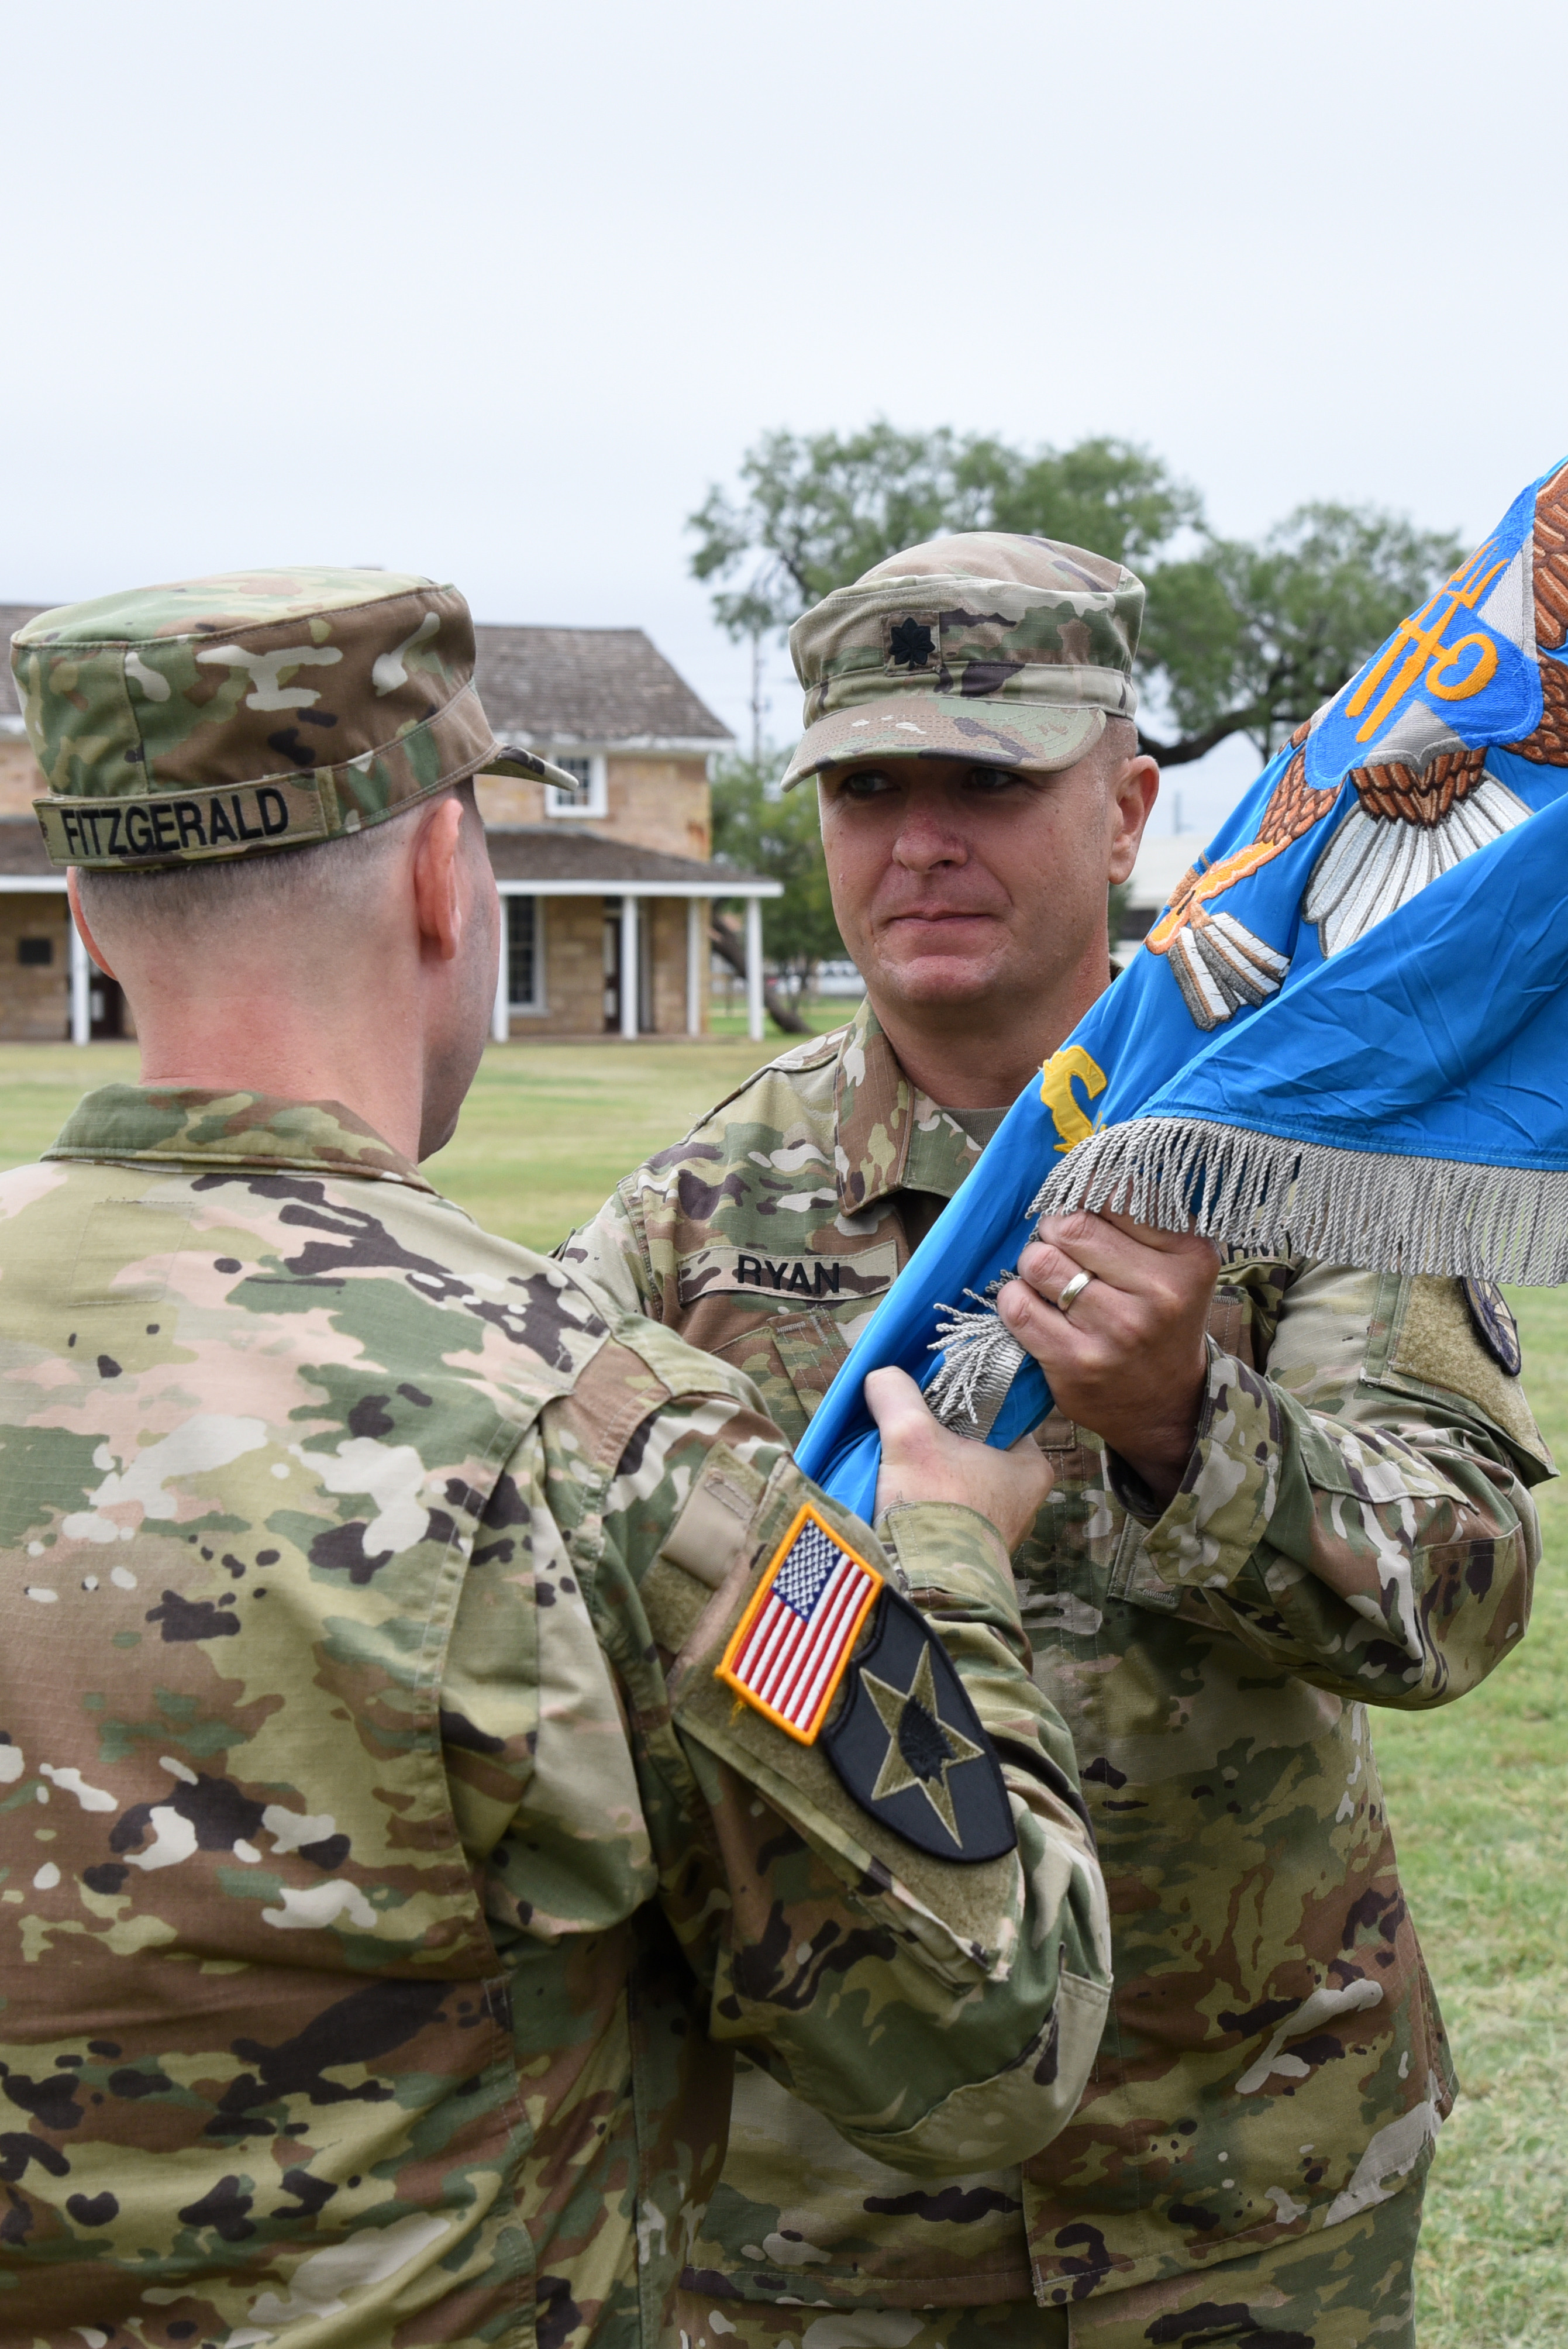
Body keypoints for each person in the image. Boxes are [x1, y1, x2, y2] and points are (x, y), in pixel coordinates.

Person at [0, 570, 1112, 2349]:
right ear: (447, 880)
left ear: (93, 918)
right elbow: (1001, 2021)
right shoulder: (610, 1435)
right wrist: (952, 1561)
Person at [562, 534, 1553, 2349]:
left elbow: (1459, 1595)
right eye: (868, 788)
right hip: (820, 2199)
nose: (919, 841)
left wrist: (1187, 1423)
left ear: (1124, 809)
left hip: (1245, 2181)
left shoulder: (1298, 1147)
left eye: (987, 782)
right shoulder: (686, 1219)